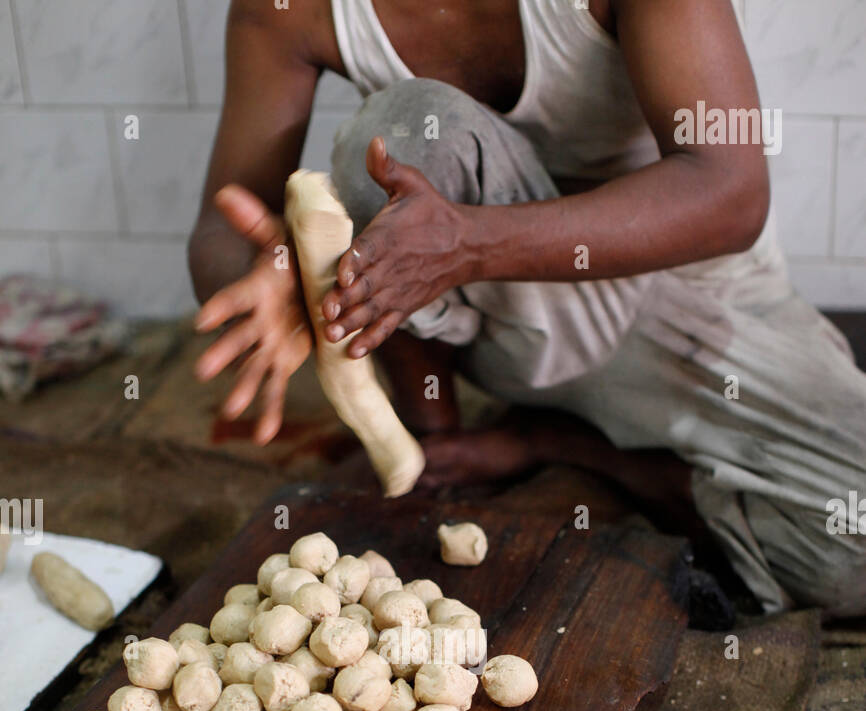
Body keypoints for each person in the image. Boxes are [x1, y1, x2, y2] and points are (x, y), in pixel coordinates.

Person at [188, 0, 866, 615]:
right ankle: (435, 455)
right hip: (501, 326)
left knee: (853, 547)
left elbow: (732, 193)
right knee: (402, 132)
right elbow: (221, 229)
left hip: (698, 305)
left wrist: (471, 246)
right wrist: (277, 271)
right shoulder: (282, 11)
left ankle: (564, 446)